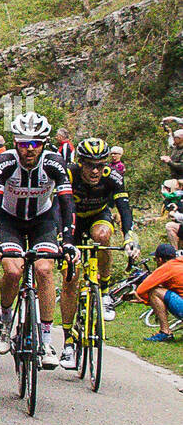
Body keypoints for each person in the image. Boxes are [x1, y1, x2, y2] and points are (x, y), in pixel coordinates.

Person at [0, 112, 74, 369]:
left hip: (42, 220)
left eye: (35, 143)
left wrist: (68, 239)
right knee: (13, 271)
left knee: (45, 270)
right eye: (24, 143)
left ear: (44, 143)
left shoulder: (55, 163)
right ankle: (5, 321)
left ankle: (47, 340)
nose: (29, 149)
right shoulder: (5, 162)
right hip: (9, 220)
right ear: (16, 143)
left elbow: (67, 202)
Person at [58, 136, 138, 365]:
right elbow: (57, 207)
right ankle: (68, 342)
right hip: (70, 221)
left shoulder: (112, 177)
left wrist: (129, 236)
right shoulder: (69, 174)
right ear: (79, 162)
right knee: (70, 280)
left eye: (101, 165)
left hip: (97, 216)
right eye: (90, 165)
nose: (95, 170)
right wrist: (61, 239)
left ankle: (103, 291)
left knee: (102, 236)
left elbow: (124, 208)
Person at [136, 242, 183, 341]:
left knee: (155, 292)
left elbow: (140, 290)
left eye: (155, 259)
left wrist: (148, 301)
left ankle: (165, 332)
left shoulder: (166, 267)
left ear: (160, 259)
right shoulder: (180, 263)